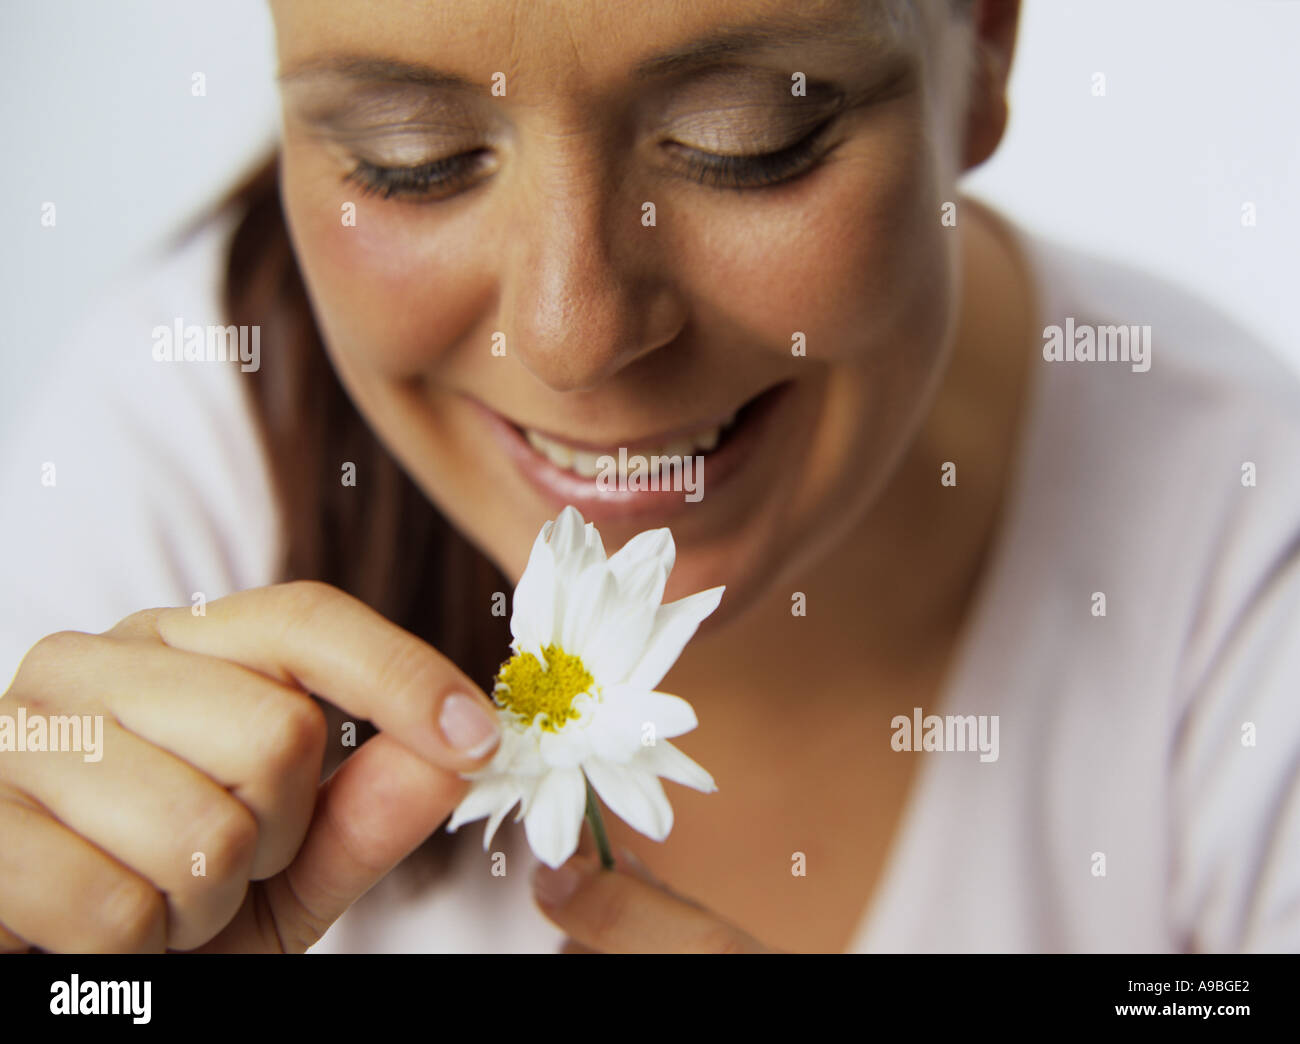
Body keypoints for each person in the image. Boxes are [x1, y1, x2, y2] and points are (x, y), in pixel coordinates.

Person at [2, 0, 1298, 954]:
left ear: (984, 53)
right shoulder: (181, 456)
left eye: (750, 139)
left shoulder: (1243, 564)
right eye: (411, 159)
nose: (575, 338)